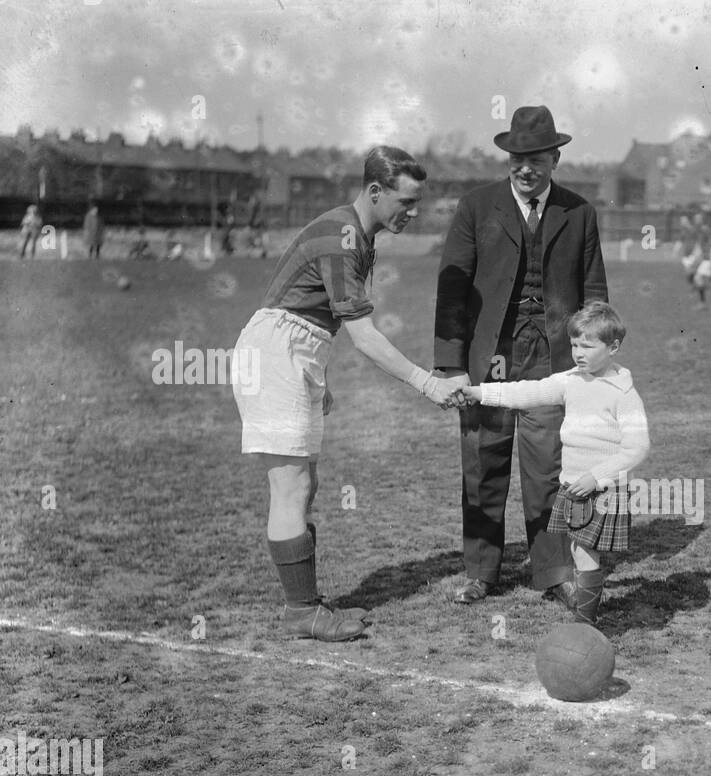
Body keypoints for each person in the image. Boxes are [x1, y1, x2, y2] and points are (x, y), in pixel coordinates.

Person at [232, 145, 463, 641]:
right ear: (375, 192)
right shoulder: (342, 236)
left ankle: (307, 604)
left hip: (295, 353)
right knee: (290, 488)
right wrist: (427, 383)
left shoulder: (356, 233)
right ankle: (302, 611)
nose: (413, 211)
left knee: (303, 486)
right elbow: (363, 336)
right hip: (278, 355)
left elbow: (308, 310)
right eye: (406, 201)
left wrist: (318, 375)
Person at [434, 105, 609, 605]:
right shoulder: (475, 207)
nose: (525, 168)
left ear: (555, 159)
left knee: (547, 468)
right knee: (483, 463)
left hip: (551, 358)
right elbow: (452, 291)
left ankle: (553, 573)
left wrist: (593, 357)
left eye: (535, 159)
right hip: (489, 356)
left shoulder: (579, 213)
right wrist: (449, 363)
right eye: (516, 159)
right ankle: (481, 571)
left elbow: (594, 291)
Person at [459, 301, 649, 625]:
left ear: (613, 347)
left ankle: (585, 623)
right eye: (575, 344)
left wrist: (596, 477)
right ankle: (587, 617)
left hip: (600, 487)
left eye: (588, 346)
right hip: (573, 484)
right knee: (578, 551)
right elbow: (529, 391)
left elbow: (637, 447)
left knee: (585, 554)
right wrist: (479, 393)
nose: (578, 352)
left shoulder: (623, 393)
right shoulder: (571, 380)